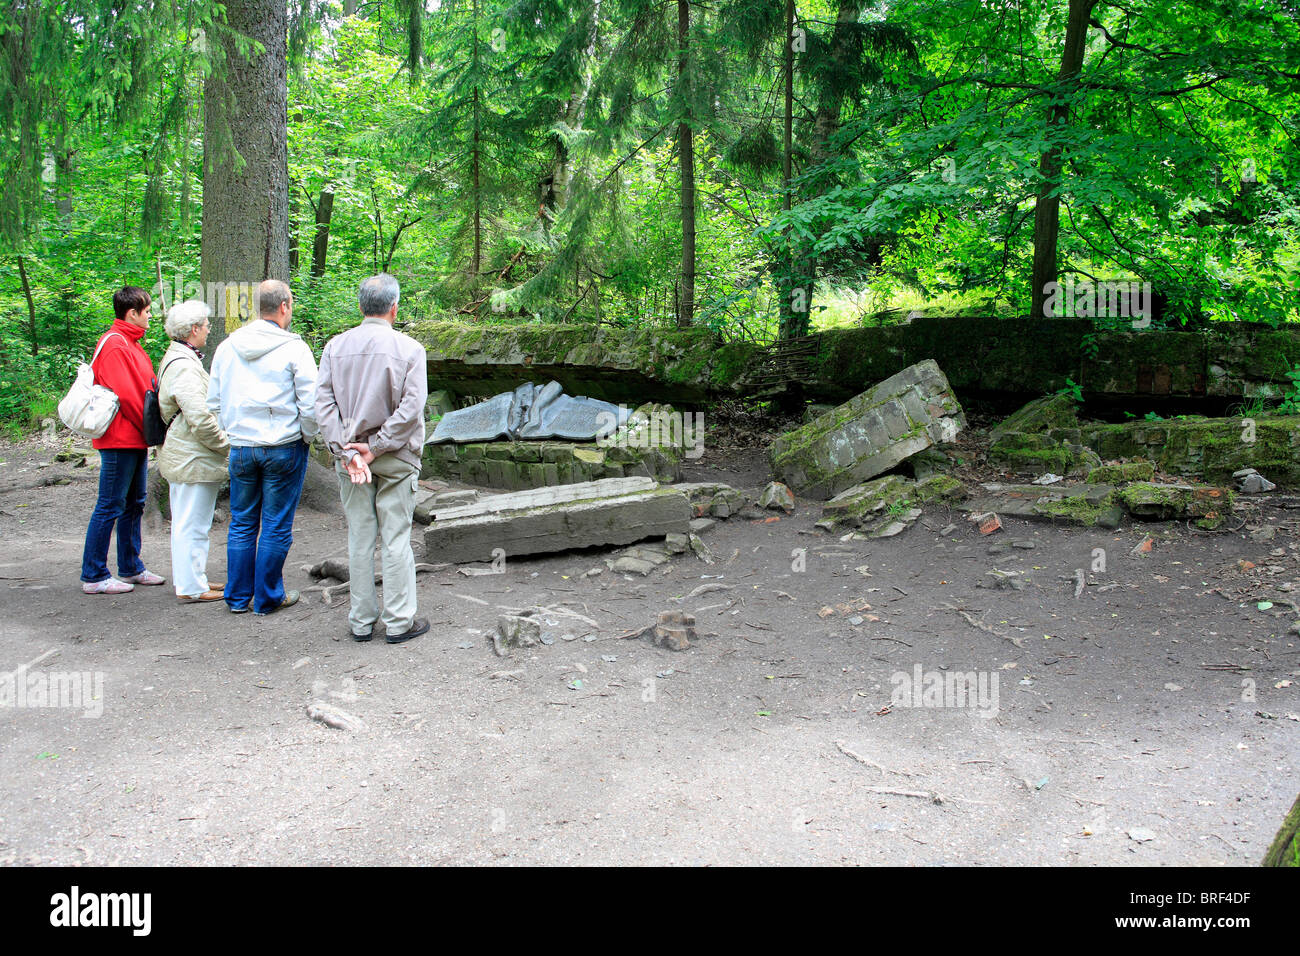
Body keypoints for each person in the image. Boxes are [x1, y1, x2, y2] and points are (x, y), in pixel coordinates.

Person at [315, 274, 430, 644]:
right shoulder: (410, 349)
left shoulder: (334, 348)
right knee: (396, 538)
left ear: (361, 307)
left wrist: (347, 450)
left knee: (360, 537)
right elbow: (412, 408)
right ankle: (399, 622)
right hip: (396, 457)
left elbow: (324, 406)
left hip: (352, 462)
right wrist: (378, 445)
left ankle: (361, 621)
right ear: (394, 308)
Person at [207, 280, 318, 615]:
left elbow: (213, 400)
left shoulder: (227, 347)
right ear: (284, 306)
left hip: (242, 447)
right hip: (284, 446)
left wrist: (233, 430)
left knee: (241, 522)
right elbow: (311, 405)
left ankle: (238, 597)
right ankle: (268, 597)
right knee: (275, 522)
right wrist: (307, 435)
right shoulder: (294, 348)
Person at [80, 286, 167, 594]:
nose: (150, 316)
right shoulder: (117, 345)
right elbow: (129, 396)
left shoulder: (131, 343)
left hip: (134, 438)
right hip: (120, 438)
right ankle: (93, 574)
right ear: (132, 313)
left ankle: (130, 567)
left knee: (134, 503)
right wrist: (154, 428)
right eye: (147, 311)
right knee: (110, 504)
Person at [157, 300, 230, 603]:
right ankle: (190, 586)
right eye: (206, 325)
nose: (209, 330)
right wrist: (226, 445)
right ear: (194, 329)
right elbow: (200, 419)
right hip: (192, 456)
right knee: (193, 522)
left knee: (191, 521)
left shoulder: (179, 358)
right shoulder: (185, 366)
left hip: (186, 454)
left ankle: (194, 578)